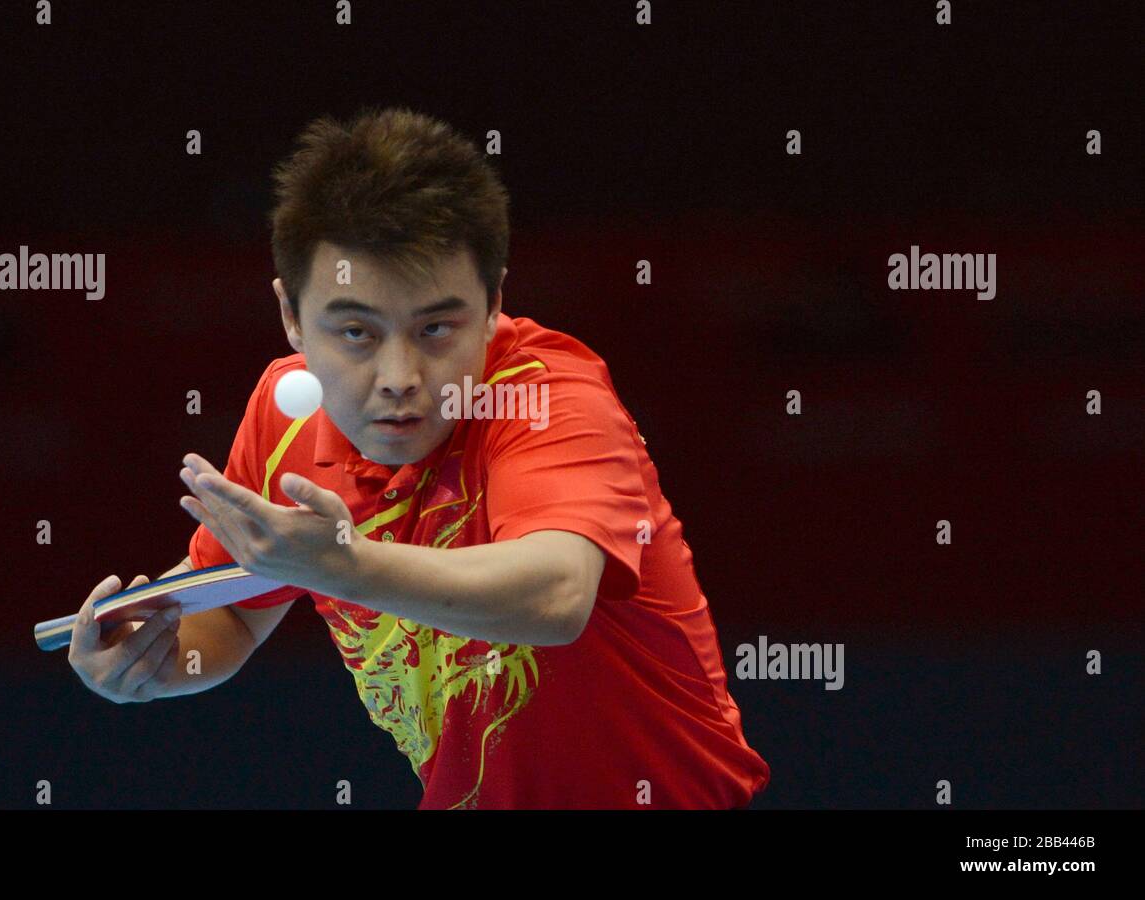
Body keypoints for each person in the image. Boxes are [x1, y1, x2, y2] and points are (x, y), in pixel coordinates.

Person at [68, 105, 770, 809]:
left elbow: (555, 595)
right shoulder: (288, 413)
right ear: (291, 317)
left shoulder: (546, 395)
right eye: (355, 332)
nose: (399, 375)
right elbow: (235, 611)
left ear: (494, 301)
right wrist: (152, 659)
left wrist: (343, 565)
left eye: (436, 327)